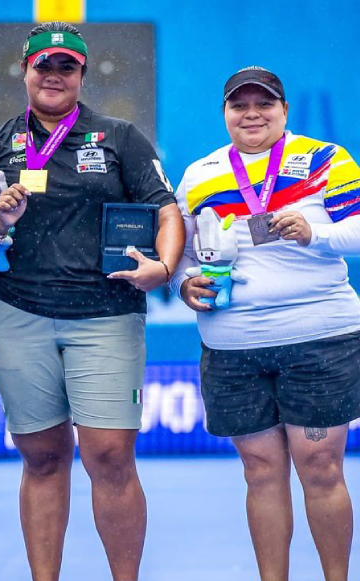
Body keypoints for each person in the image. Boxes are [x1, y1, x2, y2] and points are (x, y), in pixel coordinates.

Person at [0, 22, 184, 581]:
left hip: (106, 316)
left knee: (108, 456)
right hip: (16, 314)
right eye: (44, 66)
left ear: (81, 74)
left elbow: (168, 210)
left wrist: (165, 268)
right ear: (26, 71)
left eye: (66, 67)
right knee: (43, 457)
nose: (53, 76)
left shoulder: (121, 137)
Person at [172, 66, 360, 581]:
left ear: (284, 110)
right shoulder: (199, 174)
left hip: (318, 338)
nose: (252, 113)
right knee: (260, 473)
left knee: (319, 469)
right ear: (226, 113)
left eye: (264, 104)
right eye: (240, 105)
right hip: (234, 347)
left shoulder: (325, 159)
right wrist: (182, 285)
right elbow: (181, 253)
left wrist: (315, 233)